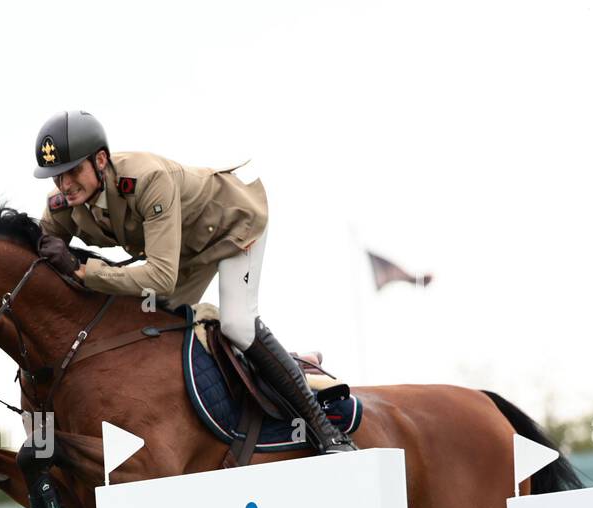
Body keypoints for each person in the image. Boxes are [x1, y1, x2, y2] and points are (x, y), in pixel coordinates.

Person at [33, 110, 355, 454]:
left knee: (238, 325)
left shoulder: (147, 179)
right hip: (180, 250)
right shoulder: (62, 207)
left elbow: (160, 277)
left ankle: (326, 431)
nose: (65, 185)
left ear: (100, 160)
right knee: (146, 327)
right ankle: (282, 362)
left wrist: (86, 272)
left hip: (232, 226)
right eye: (56, 177)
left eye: (73, 172)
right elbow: (36, 254)